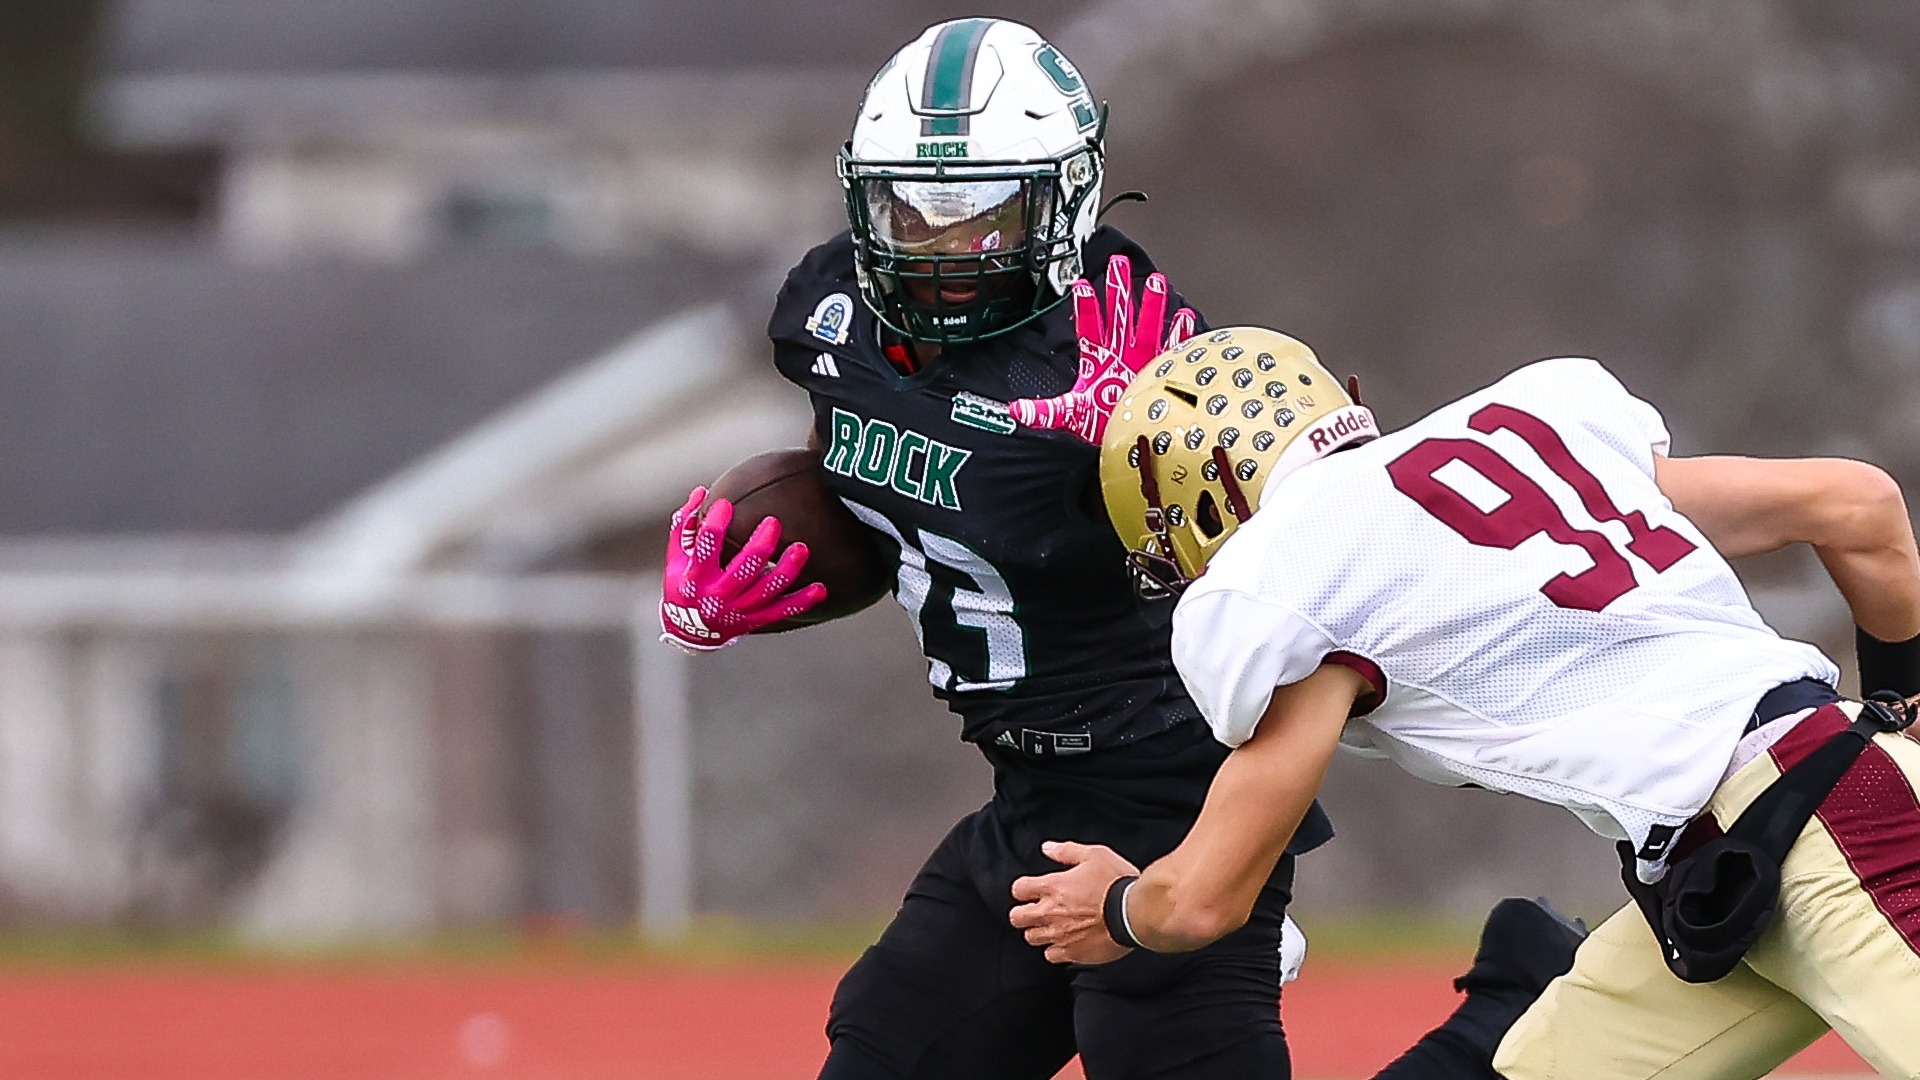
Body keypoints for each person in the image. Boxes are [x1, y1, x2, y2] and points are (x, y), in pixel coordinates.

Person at [657, 18, 1585, 1080]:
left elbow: (1317, 540)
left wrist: (1134, 453)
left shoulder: (1138, 355)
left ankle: (1509, 1026)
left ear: (1065, 199)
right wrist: (752, 566)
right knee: (883, 1052)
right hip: (1027, 794)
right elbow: (889, 482)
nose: (941, 245)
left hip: (1172, 789)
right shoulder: (828, 316)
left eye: (982, 213)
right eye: (911, 206)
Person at [1006, 325, 1920, 1079]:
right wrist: (1900, 717)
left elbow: (1203, 900)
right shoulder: (1530, 431)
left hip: (1823, 824)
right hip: (1735, 865)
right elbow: (1857, 506)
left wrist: (1120, 908)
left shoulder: (1294, 571)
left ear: (1204, 505)